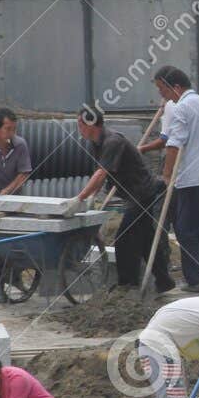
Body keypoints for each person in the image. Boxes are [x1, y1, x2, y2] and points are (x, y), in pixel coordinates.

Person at [73, 106, 174, 294]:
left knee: (124, 237)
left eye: (80, 124)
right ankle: (164, 280)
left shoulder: (112, 141)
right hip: (132, 193)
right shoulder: (97, 142)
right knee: (145, 238)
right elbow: (103, 173)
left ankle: (127, 284)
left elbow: (101, 173)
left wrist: (79, 198)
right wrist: (91, 198)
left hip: (143, 193)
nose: (79, 128)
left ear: (90, 124)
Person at [154, 66, 199, 292]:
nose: (162, 94)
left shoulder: (182, 108)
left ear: (175, 86)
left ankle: (195, 280)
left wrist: (166, 175)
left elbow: (174, 144)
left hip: (193, 177)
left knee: (186, 229)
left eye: (162, 89)